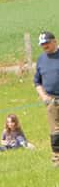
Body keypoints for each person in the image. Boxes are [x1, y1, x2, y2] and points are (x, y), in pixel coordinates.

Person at [34, 30, 59, 167]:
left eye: (47, 43)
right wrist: (43, 96)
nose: (45, 46)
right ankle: (57, 159)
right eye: (42, 44)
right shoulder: (41, 60)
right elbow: (37, 82)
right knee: (55, 133)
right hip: (51, 101)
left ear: (55, 41)